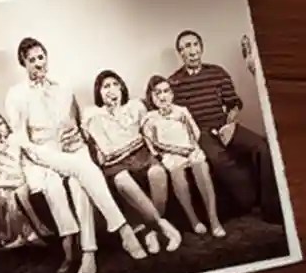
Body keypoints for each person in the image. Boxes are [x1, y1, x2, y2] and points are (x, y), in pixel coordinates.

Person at [5, 37, 147, 273]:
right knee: (86, 170)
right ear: (23, 64)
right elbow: (21, 139)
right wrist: (45, 155)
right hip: (43, 153)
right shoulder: (16, 95)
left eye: (41, 57)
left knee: (79, 184)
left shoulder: (62, 87)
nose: (39, 63)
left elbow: (77, 122)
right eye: (32, 60)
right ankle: (124, 230)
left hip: (72, 148)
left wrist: (76, 136)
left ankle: (89, 254)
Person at [169, 30, 281, 223]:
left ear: (201, 48)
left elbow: (234, 103)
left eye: (196, 45)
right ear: (181, 53)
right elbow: (175, 116)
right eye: (187, 47)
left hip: (224, 125)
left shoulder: (217, 73)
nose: (193, 50)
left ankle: (271, 208)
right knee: (220, 159)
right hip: (200, 133)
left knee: (262, 146)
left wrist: (230, 122)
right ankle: (248, 201)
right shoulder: (174, 82)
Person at [82, 70, 182, 253]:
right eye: (106, 87)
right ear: (99, 92)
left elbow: (148, 134)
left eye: (115, 84)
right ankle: (165, 227)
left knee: (157, 173)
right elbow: (108, 152)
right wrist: (129, 142)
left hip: (142, 155)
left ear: (122, 88)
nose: (112, 90)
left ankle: (151, 231)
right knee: (121, 180)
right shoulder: (94, 116)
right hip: (116, 165)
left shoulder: (135, 107)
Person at [143, 74, 225, 237]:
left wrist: (192, 148)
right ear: (151, 97)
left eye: (166, 91)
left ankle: (214, 219)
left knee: (201, 165)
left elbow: (195, 133)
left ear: (172, 94)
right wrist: (176, 151)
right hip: (170, 154)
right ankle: (193, 219)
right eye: (157, 93)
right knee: (177, 171)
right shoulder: (149, 118)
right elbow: (153, 145)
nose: (162, 96)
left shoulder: (182, 111)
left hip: (189, 148)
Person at [0, 110, 51, 248]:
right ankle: (22, 234)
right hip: (5, 184)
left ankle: (33, 230)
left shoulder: (16, 140)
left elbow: (23, 161)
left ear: (6, 124)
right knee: (3, 198)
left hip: (22, 178)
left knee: (16, 195)